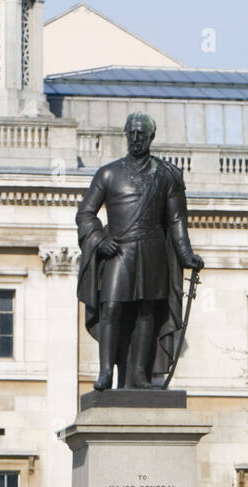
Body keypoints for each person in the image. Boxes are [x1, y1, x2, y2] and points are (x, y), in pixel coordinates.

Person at [76, 112, 204, 390]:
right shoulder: (108, 173)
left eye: (141, 134)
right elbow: (85, 214)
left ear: (151, 137)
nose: (135, 139)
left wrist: (186, 255)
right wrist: (98, 238)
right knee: (112, 308)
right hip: (118, 251)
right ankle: (106, 372)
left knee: (147, 311)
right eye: (131, 133)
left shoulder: (167, 175)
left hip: (152, 251)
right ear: (126, 135)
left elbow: (176, 220)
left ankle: (139, 375)